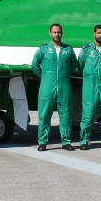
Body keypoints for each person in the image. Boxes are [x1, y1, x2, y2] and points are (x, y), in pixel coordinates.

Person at [31, 23, 78, 151]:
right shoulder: (44, 49)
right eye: (54, 32)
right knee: (45, 115)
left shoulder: (68, 49)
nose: (57, 34)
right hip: (47, 86)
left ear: (62, 33)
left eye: (59, 32)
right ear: (50, 33)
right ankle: (42, 142)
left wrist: (63, 75)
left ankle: (66, 142)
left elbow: (74, 65)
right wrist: (45, 76)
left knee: (66, 115)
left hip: (64, 85)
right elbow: (34, 65)